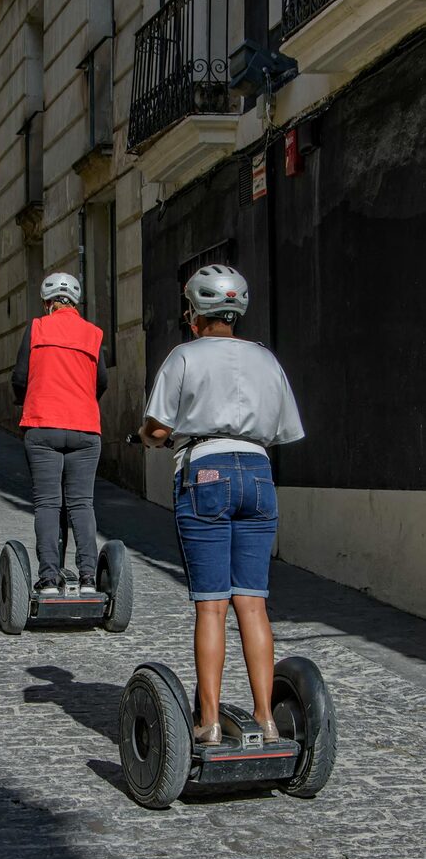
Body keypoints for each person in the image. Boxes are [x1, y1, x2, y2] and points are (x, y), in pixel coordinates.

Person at [138, 264, 304, 745]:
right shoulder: (266, 360)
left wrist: (148, 438)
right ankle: (267, 719)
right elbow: (282, 430)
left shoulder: (184, 357)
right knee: (252, 603)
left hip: (205, 473)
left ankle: (208, 722)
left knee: (211, 606)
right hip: (256, 473)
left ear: (194, 314)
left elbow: (161, 427)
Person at [12, 272, 108, 595]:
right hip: (84, 429)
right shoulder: (93, 334)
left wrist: (23, 399)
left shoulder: (37, 329)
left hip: (43, 426)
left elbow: (20, 377)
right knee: (82, 503)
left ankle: (50, 579)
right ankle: (88, 580)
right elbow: (102, 382)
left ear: (47, 303)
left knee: (48, 504)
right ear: (75, 303)